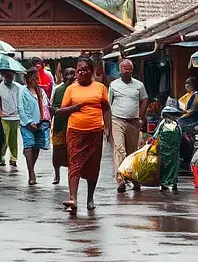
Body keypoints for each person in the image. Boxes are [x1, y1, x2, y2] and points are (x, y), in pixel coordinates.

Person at [59, 58, 111, 210]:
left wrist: (107, 128)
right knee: (74, 165)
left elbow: (106, 108)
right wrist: (73, 108)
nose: (81, 73)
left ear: (92, 71)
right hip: (75, 131)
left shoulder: (100, 87)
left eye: (84, 70)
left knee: (93, 166)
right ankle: (73, 199)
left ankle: (90, 198)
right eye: (79, 70)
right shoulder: (71, 89)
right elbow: (61, 111)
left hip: (95, 131)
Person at [108, 58, 148, 192]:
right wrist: (106, 126)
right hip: (117, 120)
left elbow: (144, 99)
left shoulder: (139, 85)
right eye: (125, 69)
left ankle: (133, 177)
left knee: (132, 152)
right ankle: (120, 180)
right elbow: (108, 105)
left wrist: (140, 116)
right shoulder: (114, 85)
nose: (128, 72)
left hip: (133, 122)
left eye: (130, 70)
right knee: (120, 150)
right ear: (120, 70)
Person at [19, 68, 50, 185]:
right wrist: (28, 122)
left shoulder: (40, 91)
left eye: (36, 77)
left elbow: (46, 106)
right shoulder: (22, 91)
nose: (35, 80)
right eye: (32, 77)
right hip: (26, 124)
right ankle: (31, 173)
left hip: (40, 123)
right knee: (29, 145)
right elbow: (20, 108)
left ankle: (32, 168)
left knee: (36, 147)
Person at [154, 100, 184, 193]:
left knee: (164, 166)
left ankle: (164, 183)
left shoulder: (164, 124)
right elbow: (180, 136)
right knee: (172, 166)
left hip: (165, 151)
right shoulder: (176, 125)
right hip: (172, 151)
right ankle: (172, 183)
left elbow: (156, 135)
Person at [0, 69, 23, 171]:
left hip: (15, 117)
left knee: (13, 138)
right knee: (4, 137)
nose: (10, 77)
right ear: (3, 75)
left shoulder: (18, 87)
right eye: (8, 75)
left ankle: (13, 158)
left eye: (11, 75)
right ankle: (1, 157)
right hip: (4, 116)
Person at [50, 74, 70, 184]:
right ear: (63, 77)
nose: (70, 76)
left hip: (73, 124)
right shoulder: (58, 90)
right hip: (59, 125)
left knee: (72, 151)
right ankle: (56, 174)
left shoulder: (77, 89)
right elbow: (52, 106)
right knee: (57, 150)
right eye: (68, 74)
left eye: (73, 73)